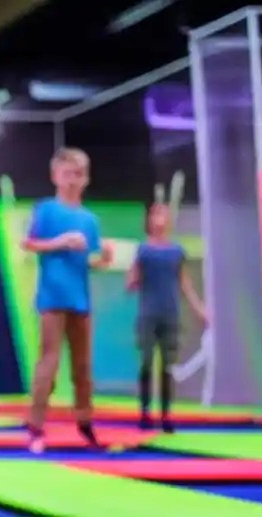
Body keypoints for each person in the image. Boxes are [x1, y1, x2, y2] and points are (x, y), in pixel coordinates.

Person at [22, 147, 114, 454]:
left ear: (85, 178)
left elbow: (90, 260)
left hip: (81, 299)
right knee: (49, 362)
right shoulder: (46, 209)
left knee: (83, 366)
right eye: (66, 173)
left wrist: (104, 259)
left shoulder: (90, 219)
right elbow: (29, 243)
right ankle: (35, 426)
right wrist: (60, 242)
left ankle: (86, 423)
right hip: (52, 296)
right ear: (55, 176)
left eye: (77, 174)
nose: (72, 180)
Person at [126, 203, 207, 432]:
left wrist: (199, 309)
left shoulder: (176, 251)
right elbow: (132, 281)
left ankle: (166, 414)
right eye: (155, 214)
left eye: (163, 214)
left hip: (170, 314)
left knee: (168, 366)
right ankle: (144, 412)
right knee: (147, 362)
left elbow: (184, 283)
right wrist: (132, 280)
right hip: (148, 315)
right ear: (150, 220)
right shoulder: (143, 250)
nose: (159, 219)